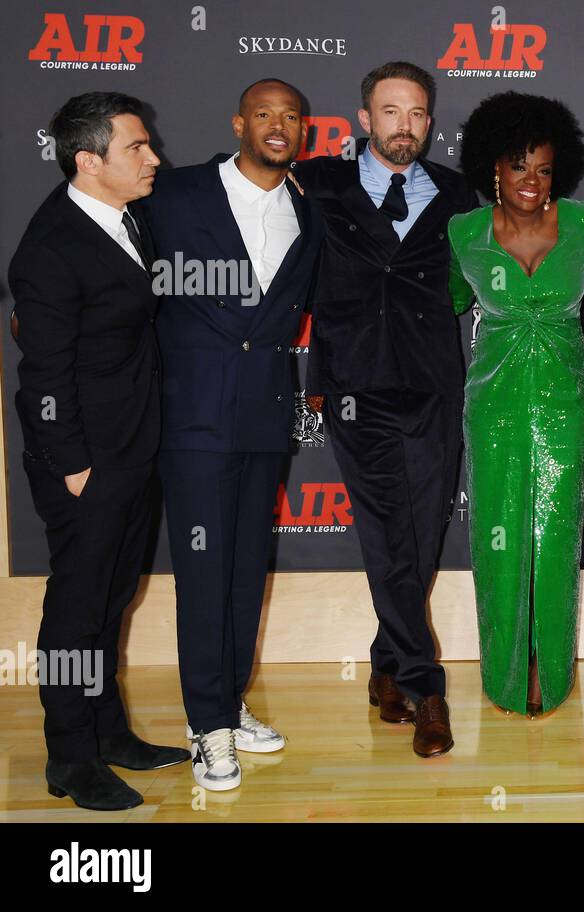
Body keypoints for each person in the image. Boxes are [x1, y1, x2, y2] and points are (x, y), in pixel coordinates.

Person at [142, 78, 322, 790]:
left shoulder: (309, 213)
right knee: (203, 574)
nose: (278, 127)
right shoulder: (176, 195)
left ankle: (228, 701)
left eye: (291, 118)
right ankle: (206, 726)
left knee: (247, 570)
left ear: (304, 131)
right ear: (239, 122)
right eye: (264, 115)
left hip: (264, 417)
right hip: (192, 418)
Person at [294, 61, 477, 758]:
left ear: (430, 122)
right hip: (352, 386)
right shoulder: (319, 183)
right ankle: (427, 687)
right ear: (364, 119)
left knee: (423, 529)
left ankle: (384, 665)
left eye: (418, 113)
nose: (406, 126)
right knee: (382, 530)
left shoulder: (460, 195)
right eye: (391, 111)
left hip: (432, 382)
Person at [10, 92, 187, 810]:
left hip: (133, 445)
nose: (153, 158)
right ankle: (70, 758)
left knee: (113, 599)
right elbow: (42, 375)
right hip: (85, 462)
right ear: (89, 161)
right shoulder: (51, 249)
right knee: (78, 611)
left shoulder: (126, 216)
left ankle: (109, 732)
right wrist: (74, 466)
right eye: (137, 148)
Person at [447, 92, 584, 717]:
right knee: (497, 532)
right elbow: (451, 303)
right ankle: (506, 669)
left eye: (542, 168)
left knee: (557, 530)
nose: (531, 181)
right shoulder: (464, 231)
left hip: (565, 396)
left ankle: (550, 667)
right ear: (493, 169)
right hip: (494, 399)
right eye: (518, 167)